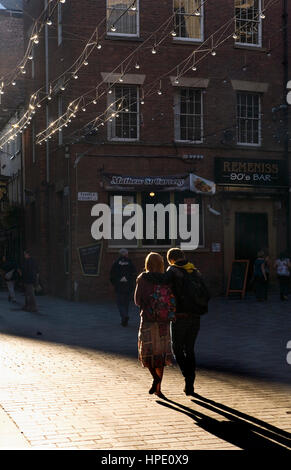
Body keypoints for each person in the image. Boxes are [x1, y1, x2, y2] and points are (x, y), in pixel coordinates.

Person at [145, 248, 204, 396]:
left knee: (177, 349)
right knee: (189, 349)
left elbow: (161, 280)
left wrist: (146, 275)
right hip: (195, 316)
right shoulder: (194, 270)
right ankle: (190, 380)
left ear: (170, 259)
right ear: (183, 256)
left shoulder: (173, 271)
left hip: (180, 317)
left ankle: (188, 376)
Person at [134, 252, 175, 398]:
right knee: (161, 355)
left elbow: (137, 301)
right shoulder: (166, 279)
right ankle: (158, 389)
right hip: (163, 322)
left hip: (148, 320)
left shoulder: (143, 278)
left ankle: (155, 378)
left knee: (147, 352)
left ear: (147, 264)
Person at [110, 249, 136, 326]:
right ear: (127, 255)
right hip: (128, 286)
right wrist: (130, 281)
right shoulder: (130, 263)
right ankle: (125, 317)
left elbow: (112, 275)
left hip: (119, 286)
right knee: (126, 303)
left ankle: (124, 316)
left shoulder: (116, 263)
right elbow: (134, 273)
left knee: (119, 303)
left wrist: (115, 283)